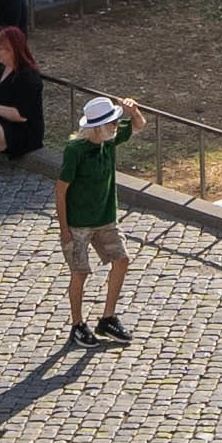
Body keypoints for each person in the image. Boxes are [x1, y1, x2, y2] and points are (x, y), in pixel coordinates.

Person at [56, 91, 135, 345]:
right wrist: (64, 228)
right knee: (80, 273)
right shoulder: (75, 151)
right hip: (78, 223)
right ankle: (77, 324)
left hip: (105, 219)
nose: (116, 126)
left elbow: (138, 124)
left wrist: (132, 110)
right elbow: (61, 190)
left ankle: (107, 318)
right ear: (98, 127)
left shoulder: (108, 141)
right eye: (112, 122)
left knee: (121, 260)